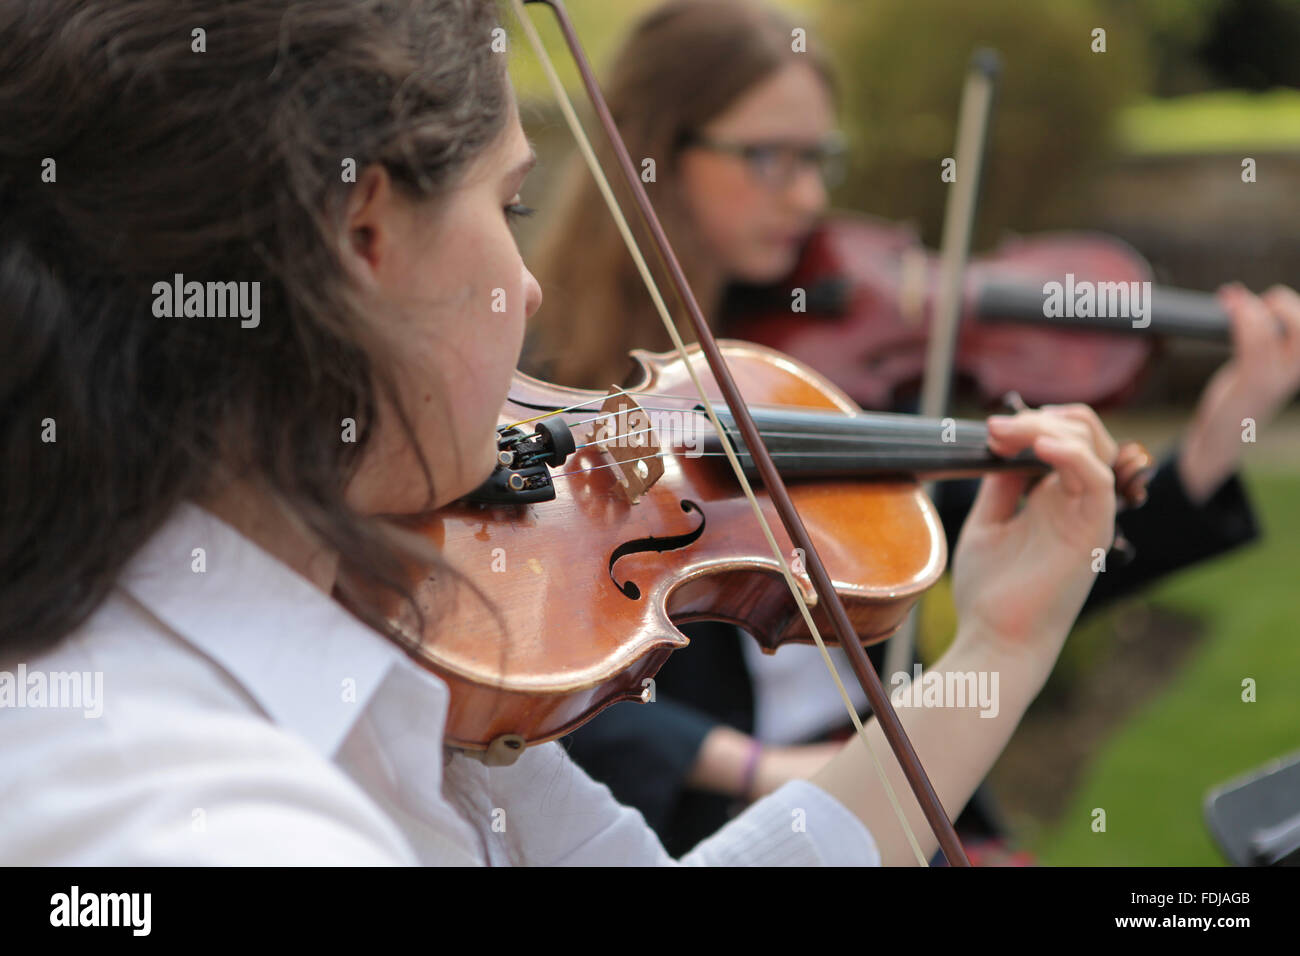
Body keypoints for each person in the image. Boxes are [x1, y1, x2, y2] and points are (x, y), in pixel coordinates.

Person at [0, 0, 1147, 867]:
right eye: (507, 207)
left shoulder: (384, 636)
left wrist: (997, 647)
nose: (529, 289)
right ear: (364, 241)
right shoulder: (188, 816)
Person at [522, 0, 1300, 857]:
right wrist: (757, 766)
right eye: (769, 157)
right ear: (656, 157)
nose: (811, 196)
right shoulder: (563, 399)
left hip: (904, 796)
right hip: (713, 830)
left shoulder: (814, 372)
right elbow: (542, 685)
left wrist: (1222, 432)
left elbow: (1003, 548)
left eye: (821, 158)